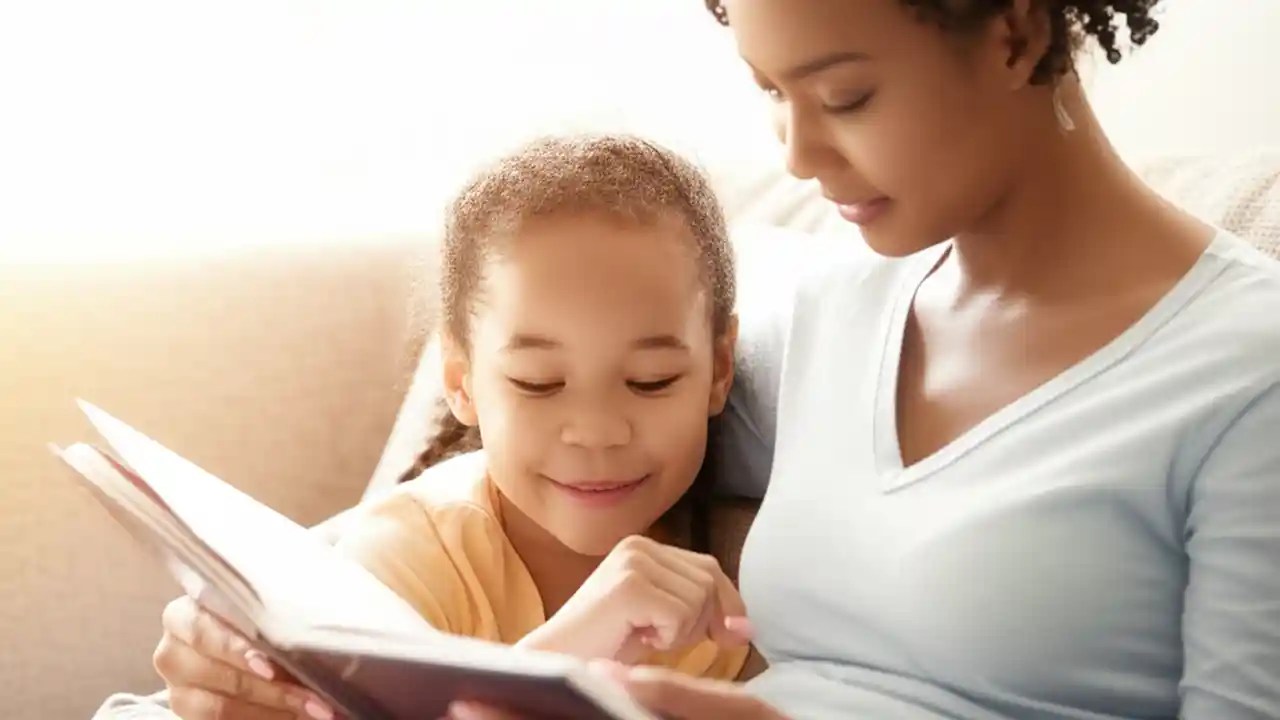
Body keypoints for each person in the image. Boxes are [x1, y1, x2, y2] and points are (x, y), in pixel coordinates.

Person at [448, 0, 1280, 718]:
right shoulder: (831, 315)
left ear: (1016, 34)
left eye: (845, 96)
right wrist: (338, 648)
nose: (798, 155)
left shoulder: (1244, 372)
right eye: (772, 91)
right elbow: (554, 445)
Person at [137, 134, 760, 720]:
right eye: (538, 382)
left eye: (651, 380)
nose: (596, 432)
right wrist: (572, 652)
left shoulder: (745, 581)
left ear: (719, 369)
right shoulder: (410, 553)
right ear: (460, 380)